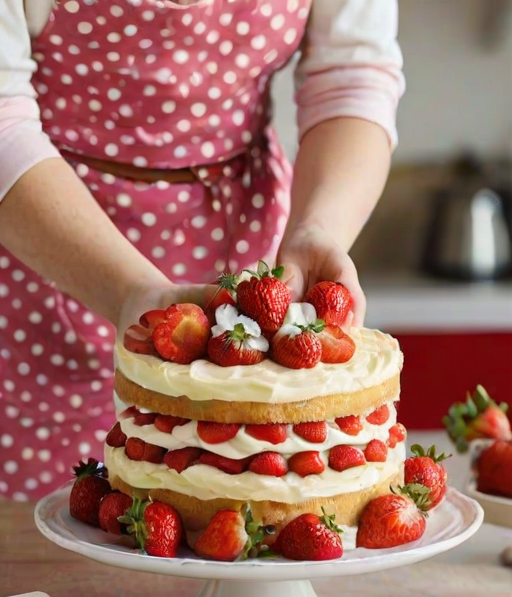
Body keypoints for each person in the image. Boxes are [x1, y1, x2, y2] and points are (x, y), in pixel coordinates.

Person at [0, 0, 404, 501]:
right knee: (46, 541)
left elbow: (351, 78)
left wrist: (317, 228)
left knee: (245, 514)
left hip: (251, 239)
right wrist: (130, 290)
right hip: (42, 246)